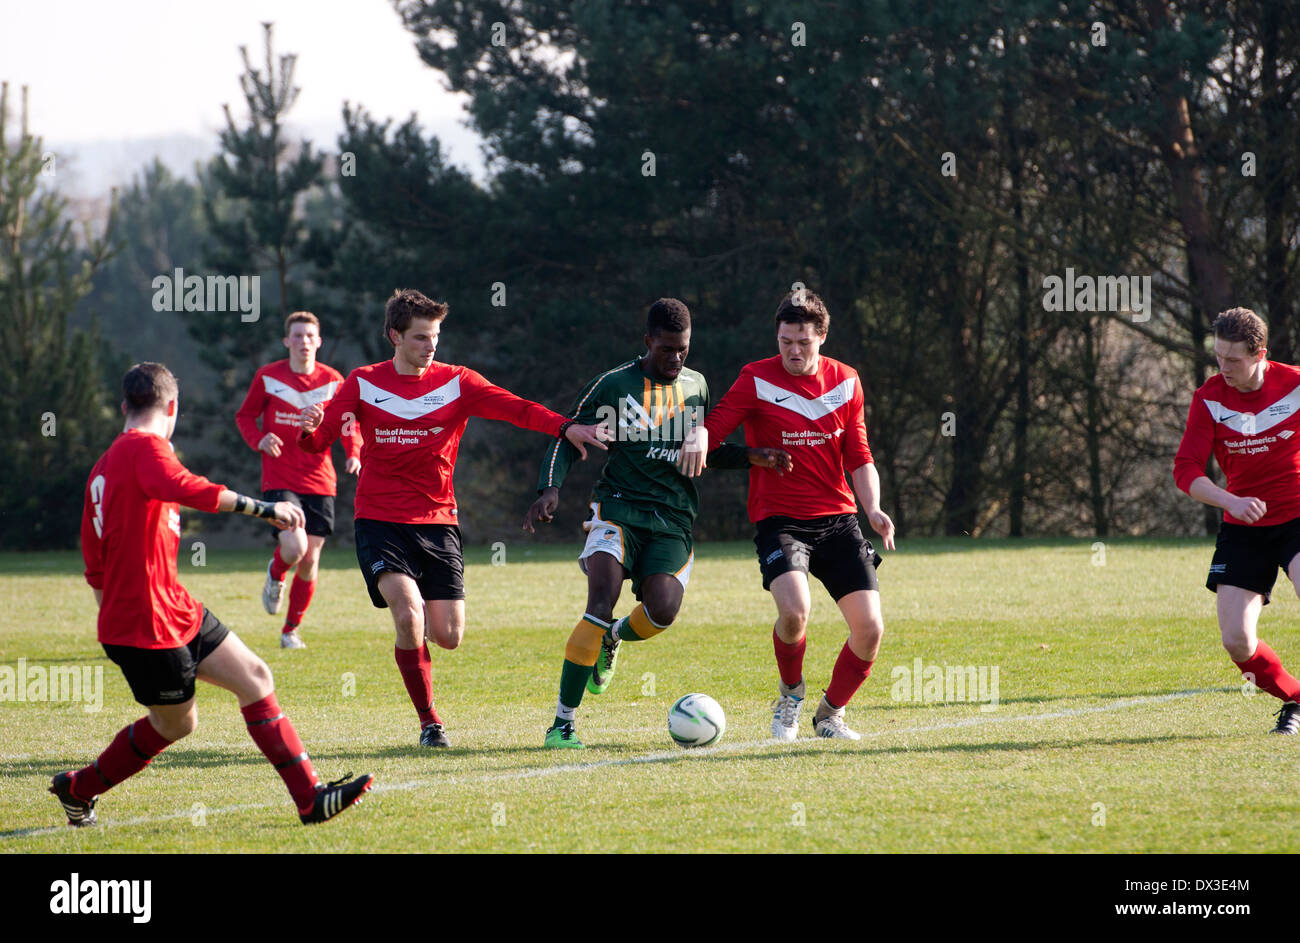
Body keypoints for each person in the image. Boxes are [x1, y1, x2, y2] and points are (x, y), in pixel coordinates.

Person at [54, 362, 373, 828]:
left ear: (124, 406)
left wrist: (113, 619)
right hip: (146, 626)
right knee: (176, 725)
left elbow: (95, 566)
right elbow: (190, 488)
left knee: (257, 677)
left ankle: (311, 798)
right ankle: (77, 788)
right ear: (173, 407)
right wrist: (266, 508)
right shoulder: (144, 449)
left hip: (173, 608)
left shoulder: (105, 467)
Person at [299, 288, 609, 748]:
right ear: (395, 336)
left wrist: (566, 426)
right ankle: (430, 724)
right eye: (421, 337)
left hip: (438, 521)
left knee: (448, 635)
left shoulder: (457, 382)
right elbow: (319, 441)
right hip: (380, 521)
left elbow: (517, 408)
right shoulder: (362, 383)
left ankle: (420, 636)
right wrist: (307, 429)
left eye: (435, 336)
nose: (431, 346)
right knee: (408, 615)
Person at [524, 298, 791, 749]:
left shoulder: (696, 387)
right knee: (601, 597)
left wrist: (752, 456)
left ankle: (612, 638)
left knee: (663, 610)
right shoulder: (613, 385)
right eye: (667, 349)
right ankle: (562, 724)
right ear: (648, 341)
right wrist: (550, 488)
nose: (676, 358)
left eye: (683, 349)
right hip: (617, 509)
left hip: (672, 519)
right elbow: (569, 435)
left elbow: (703, 450)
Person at [698, 289, 896, 741]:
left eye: (803, 342)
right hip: (780, 521)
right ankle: (790, 697)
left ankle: (829, 714)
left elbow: (860, 455)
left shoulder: (846, 381)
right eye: (785, 341)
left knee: (870, 629)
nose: (793, 351)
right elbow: (714, 431)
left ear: (822, 337)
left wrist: (874, 508)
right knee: (794, 612)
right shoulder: (755, 379)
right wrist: (697, 442)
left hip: (840, 520)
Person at [1173, 306, 1300, 734]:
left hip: (1297, 516)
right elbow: (1185, 471)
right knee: (1237, 640)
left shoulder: (1296, 385)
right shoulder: (1208, 398)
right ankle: (1296, 699)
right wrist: (1230, 500)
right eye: (1218, 357)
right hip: (1243, 528)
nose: (1223, 367)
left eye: (1233, 359)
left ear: (1260, 354)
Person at [235, 311, 362, 649]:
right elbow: (245, 415)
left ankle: (290, 630)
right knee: (295, 545)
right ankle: (276, 574)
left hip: (320, 480)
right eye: (297, 336)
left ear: (318, 342)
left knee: (309, 561)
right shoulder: (267, 377)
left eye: (310, 336)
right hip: (280, 476)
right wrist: (259, 439)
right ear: (286, 341)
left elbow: (348, 420)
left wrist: (353, 452)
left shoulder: (334, 379)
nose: (304, 342)